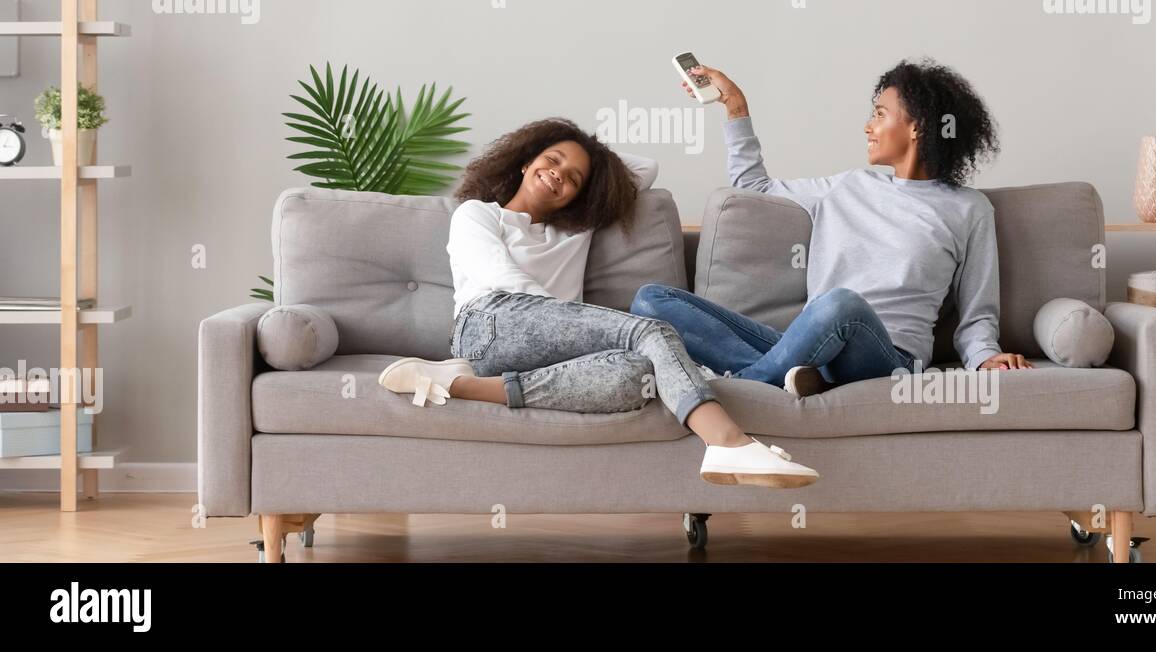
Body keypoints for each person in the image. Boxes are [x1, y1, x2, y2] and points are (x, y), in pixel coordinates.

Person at [377, 117, 819, 488]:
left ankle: (460, 386)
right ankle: (728, 443)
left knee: (638, 374)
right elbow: (504, 283)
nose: (559, 175)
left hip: (542, 355)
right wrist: (578, 324)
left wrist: (592, 169)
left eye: (574, 179)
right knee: (649, 332)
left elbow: (645, 168)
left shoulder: (575, 230)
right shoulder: (478, 213)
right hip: (488, 325)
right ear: (526, 159)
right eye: (552, 160)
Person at [631, 57, 1032, 398]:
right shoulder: (847, 186)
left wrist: (985, 359)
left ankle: (749, 389)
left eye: (880, 114)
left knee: (841, 304)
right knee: (652, 300)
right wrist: (735, 106)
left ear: (918, 127)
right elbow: (753, 188)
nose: (867, 126)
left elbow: (978, 312)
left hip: (888, 359)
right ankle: (787, 378)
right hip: (813, 348)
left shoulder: (969, 209)